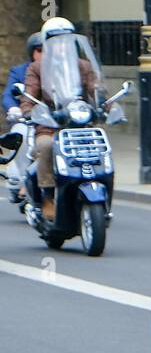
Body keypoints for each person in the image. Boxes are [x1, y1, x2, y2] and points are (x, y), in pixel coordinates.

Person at [19, 18, 99, 222]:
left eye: (65, 39)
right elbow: (29, 94)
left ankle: (98, 187)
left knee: (100, 147)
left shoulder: (83, 65)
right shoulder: (37, 68)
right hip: (51, 125)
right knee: (45, 146)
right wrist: (29, 110)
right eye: (55, 39)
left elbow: (96, 91)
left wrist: (108, 105)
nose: (60, 44)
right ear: (47, 42)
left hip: (80, 125)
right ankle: (47, 196)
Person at [4, 32, 41, 203]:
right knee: (21, 134)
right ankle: (25, 180)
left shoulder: (61, 72)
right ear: (32, 52)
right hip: (29, 120)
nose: (44, 54)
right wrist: (14, 108)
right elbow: (8, 95)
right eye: (40, 50)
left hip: (56, 120)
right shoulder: (20, 72)